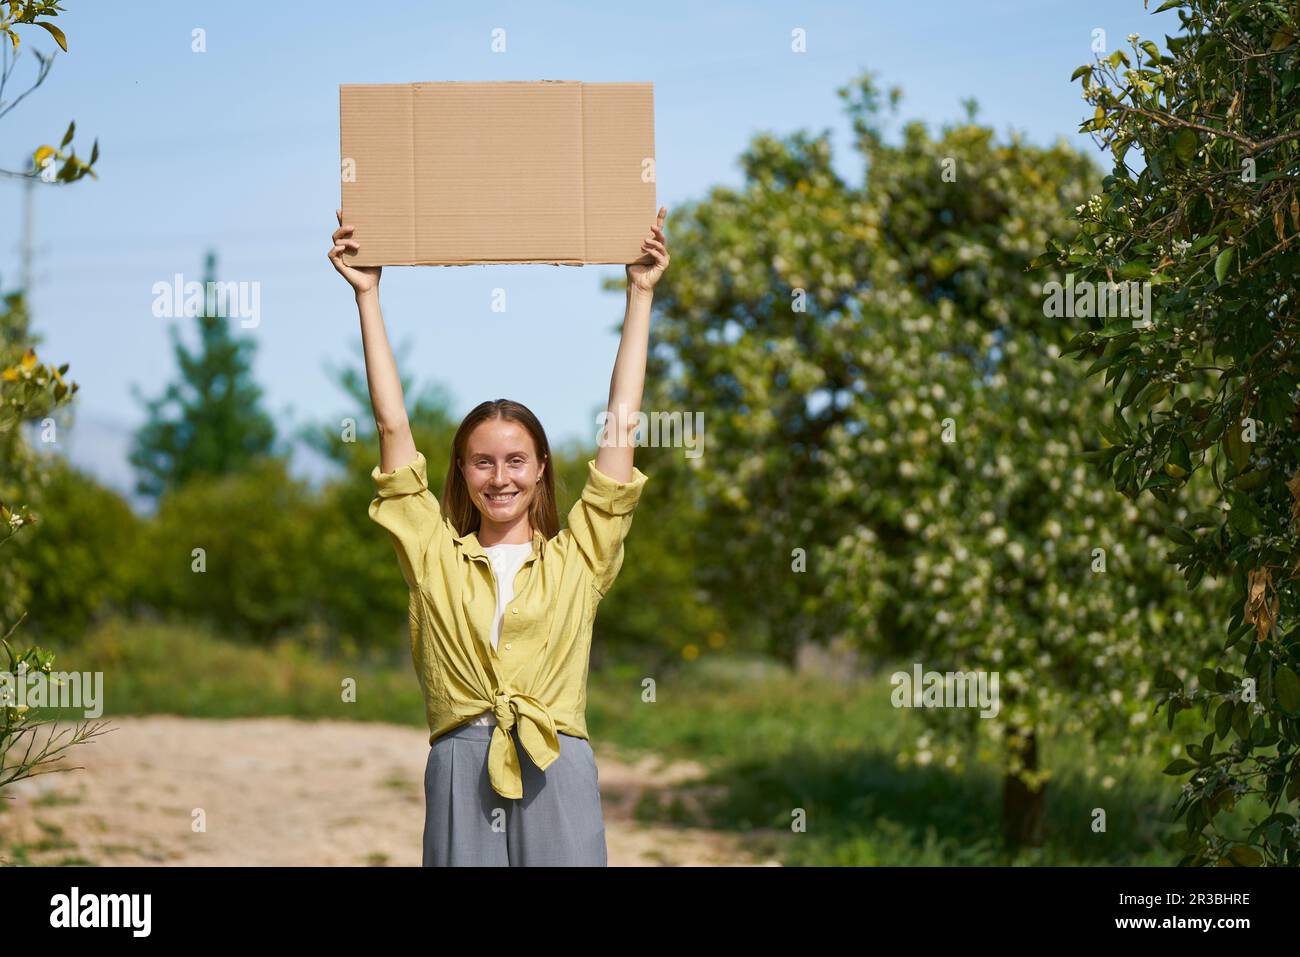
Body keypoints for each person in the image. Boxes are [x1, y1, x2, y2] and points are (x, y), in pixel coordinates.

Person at [327, 206, 670, 866]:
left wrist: (641, 294)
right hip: (460, 763)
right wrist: (368, 295)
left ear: (542, 469)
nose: (500, 476)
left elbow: (621, 427)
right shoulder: (433, 556)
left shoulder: (580, 556)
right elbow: (393, 428)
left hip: (556, 761)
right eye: (483, 461)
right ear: (462, 469)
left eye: (516, 460)